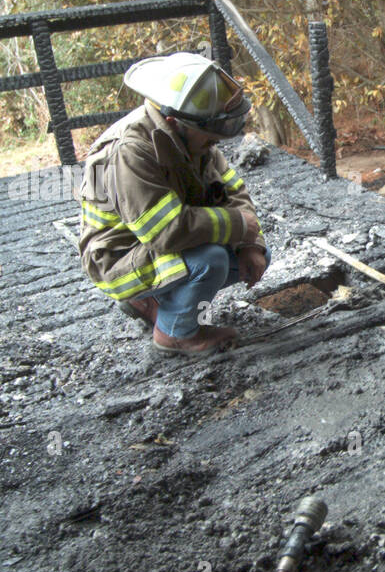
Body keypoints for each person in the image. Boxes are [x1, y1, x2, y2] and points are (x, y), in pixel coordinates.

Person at [76, 52, 269, 356]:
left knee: (252, 254)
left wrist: (251, 243)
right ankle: (174, 333)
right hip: (118, 258)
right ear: (173, 121)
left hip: (152, 250)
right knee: (211, 261)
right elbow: (165, 232)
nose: (213, 145)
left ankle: (153, 304)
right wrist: (239, 226)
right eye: (208, 138)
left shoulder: (191, 139)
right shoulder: (131, 151)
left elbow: (234, 189)